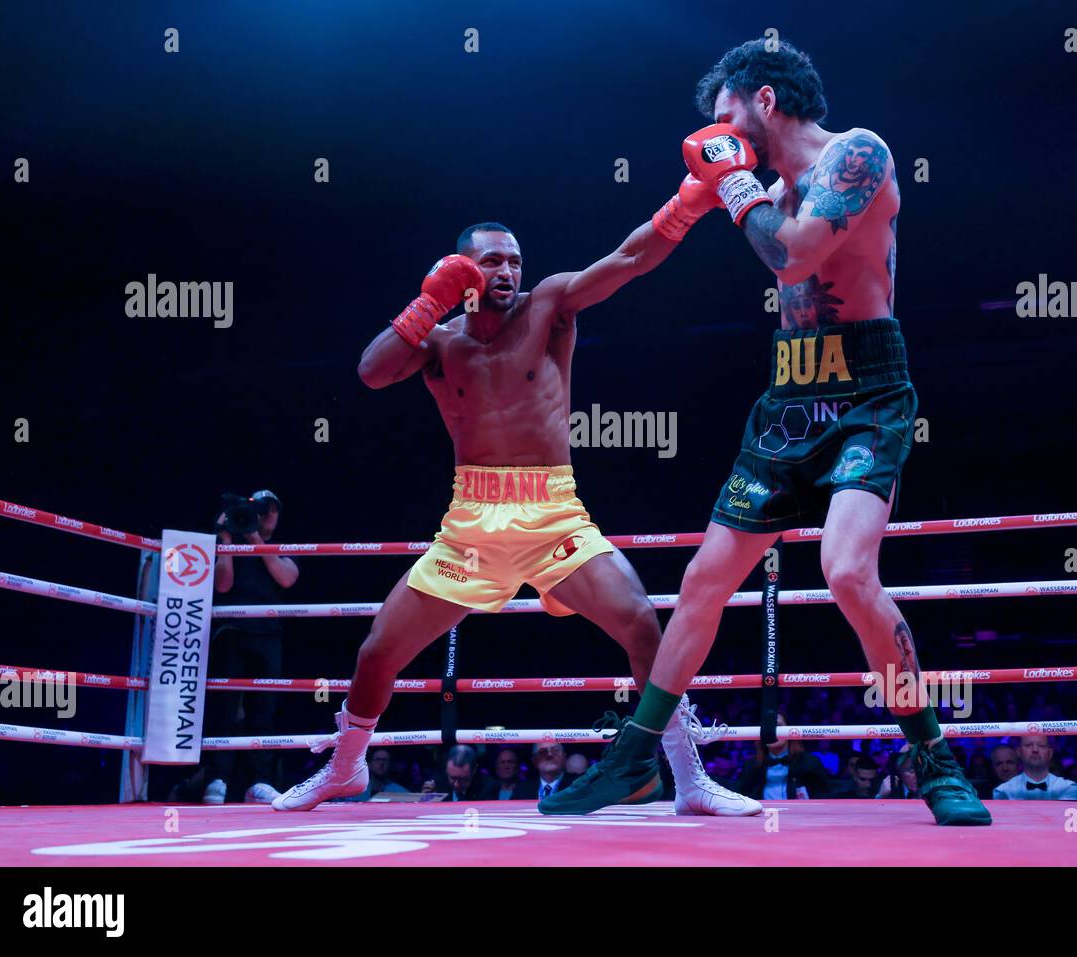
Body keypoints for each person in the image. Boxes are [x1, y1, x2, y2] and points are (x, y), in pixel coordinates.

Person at [540, 38, 989, 825]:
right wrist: (678, 210)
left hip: (867, 389)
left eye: (726, 114)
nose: (720, 130)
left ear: (764, 101)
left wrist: (735, 182)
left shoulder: (857, 153)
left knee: (846, 570)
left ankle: (932, 754)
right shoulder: (760, 181)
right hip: (788, 394)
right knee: (702, 584)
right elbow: (648, 248)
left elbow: (794, 256)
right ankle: (634, 756)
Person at [272, 214, 759, 816]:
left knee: (639, 621)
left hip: (552, 513)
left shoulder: (549, 304)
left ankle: (689, 780)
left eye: (514, 260)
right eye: (492, 261)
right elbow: (371, 373)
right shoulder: (440, 342)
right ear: (462, 270)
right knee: (377, 653)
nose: (507, 271)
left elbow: (630, 259)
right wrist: (427, 303)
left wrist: (688, 203)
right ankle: (344, 771)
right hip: (471, 521)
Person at [200, 490, 297, 804]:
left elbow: (286, 578)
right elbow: (223, 584)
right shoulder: (232, 545)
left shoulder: (282, 548)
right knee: (225, 709)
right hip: (232, 631)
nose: (265, 515)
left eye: (271, 510)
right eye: (260, 510)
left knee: (264, 711)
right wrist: (226, 541)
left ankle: (260, 781)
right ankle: (218, 779)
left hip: (268, 635)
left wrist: (254, 535)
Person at [732, 714, 833, 800]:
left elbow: (825, 795)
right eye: (768, 727)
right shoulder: (751, 766)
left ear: (789, 730)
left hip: (799, 818)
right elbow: (740, 797)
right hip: (762, 819)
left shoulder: (810, 762)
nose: (772, 732)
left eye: (778, 726)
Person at [992, 735, 1077, 800]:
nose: (1035, 750)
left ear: (1050, 753)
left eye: (1041, 745)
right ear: (1019, 752)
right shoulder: (1002, 791)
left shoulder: (1068, 787)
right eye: (1028, 745)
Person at [422, 745, 499, 802]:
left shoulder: (488, 788)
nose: (456, 784)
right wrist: (427, 801)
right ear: (446, 768)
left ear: (474, 770)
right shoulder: (435, 785)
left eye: (463, 780)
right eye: (452, 778)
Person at [513, 742, 579, 800]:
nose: (549, 755)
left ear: (564, 757)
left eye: (555, 750)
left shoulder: (578, 786)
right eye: (542, 752)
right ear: (534, 760)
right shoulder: (522, 790)